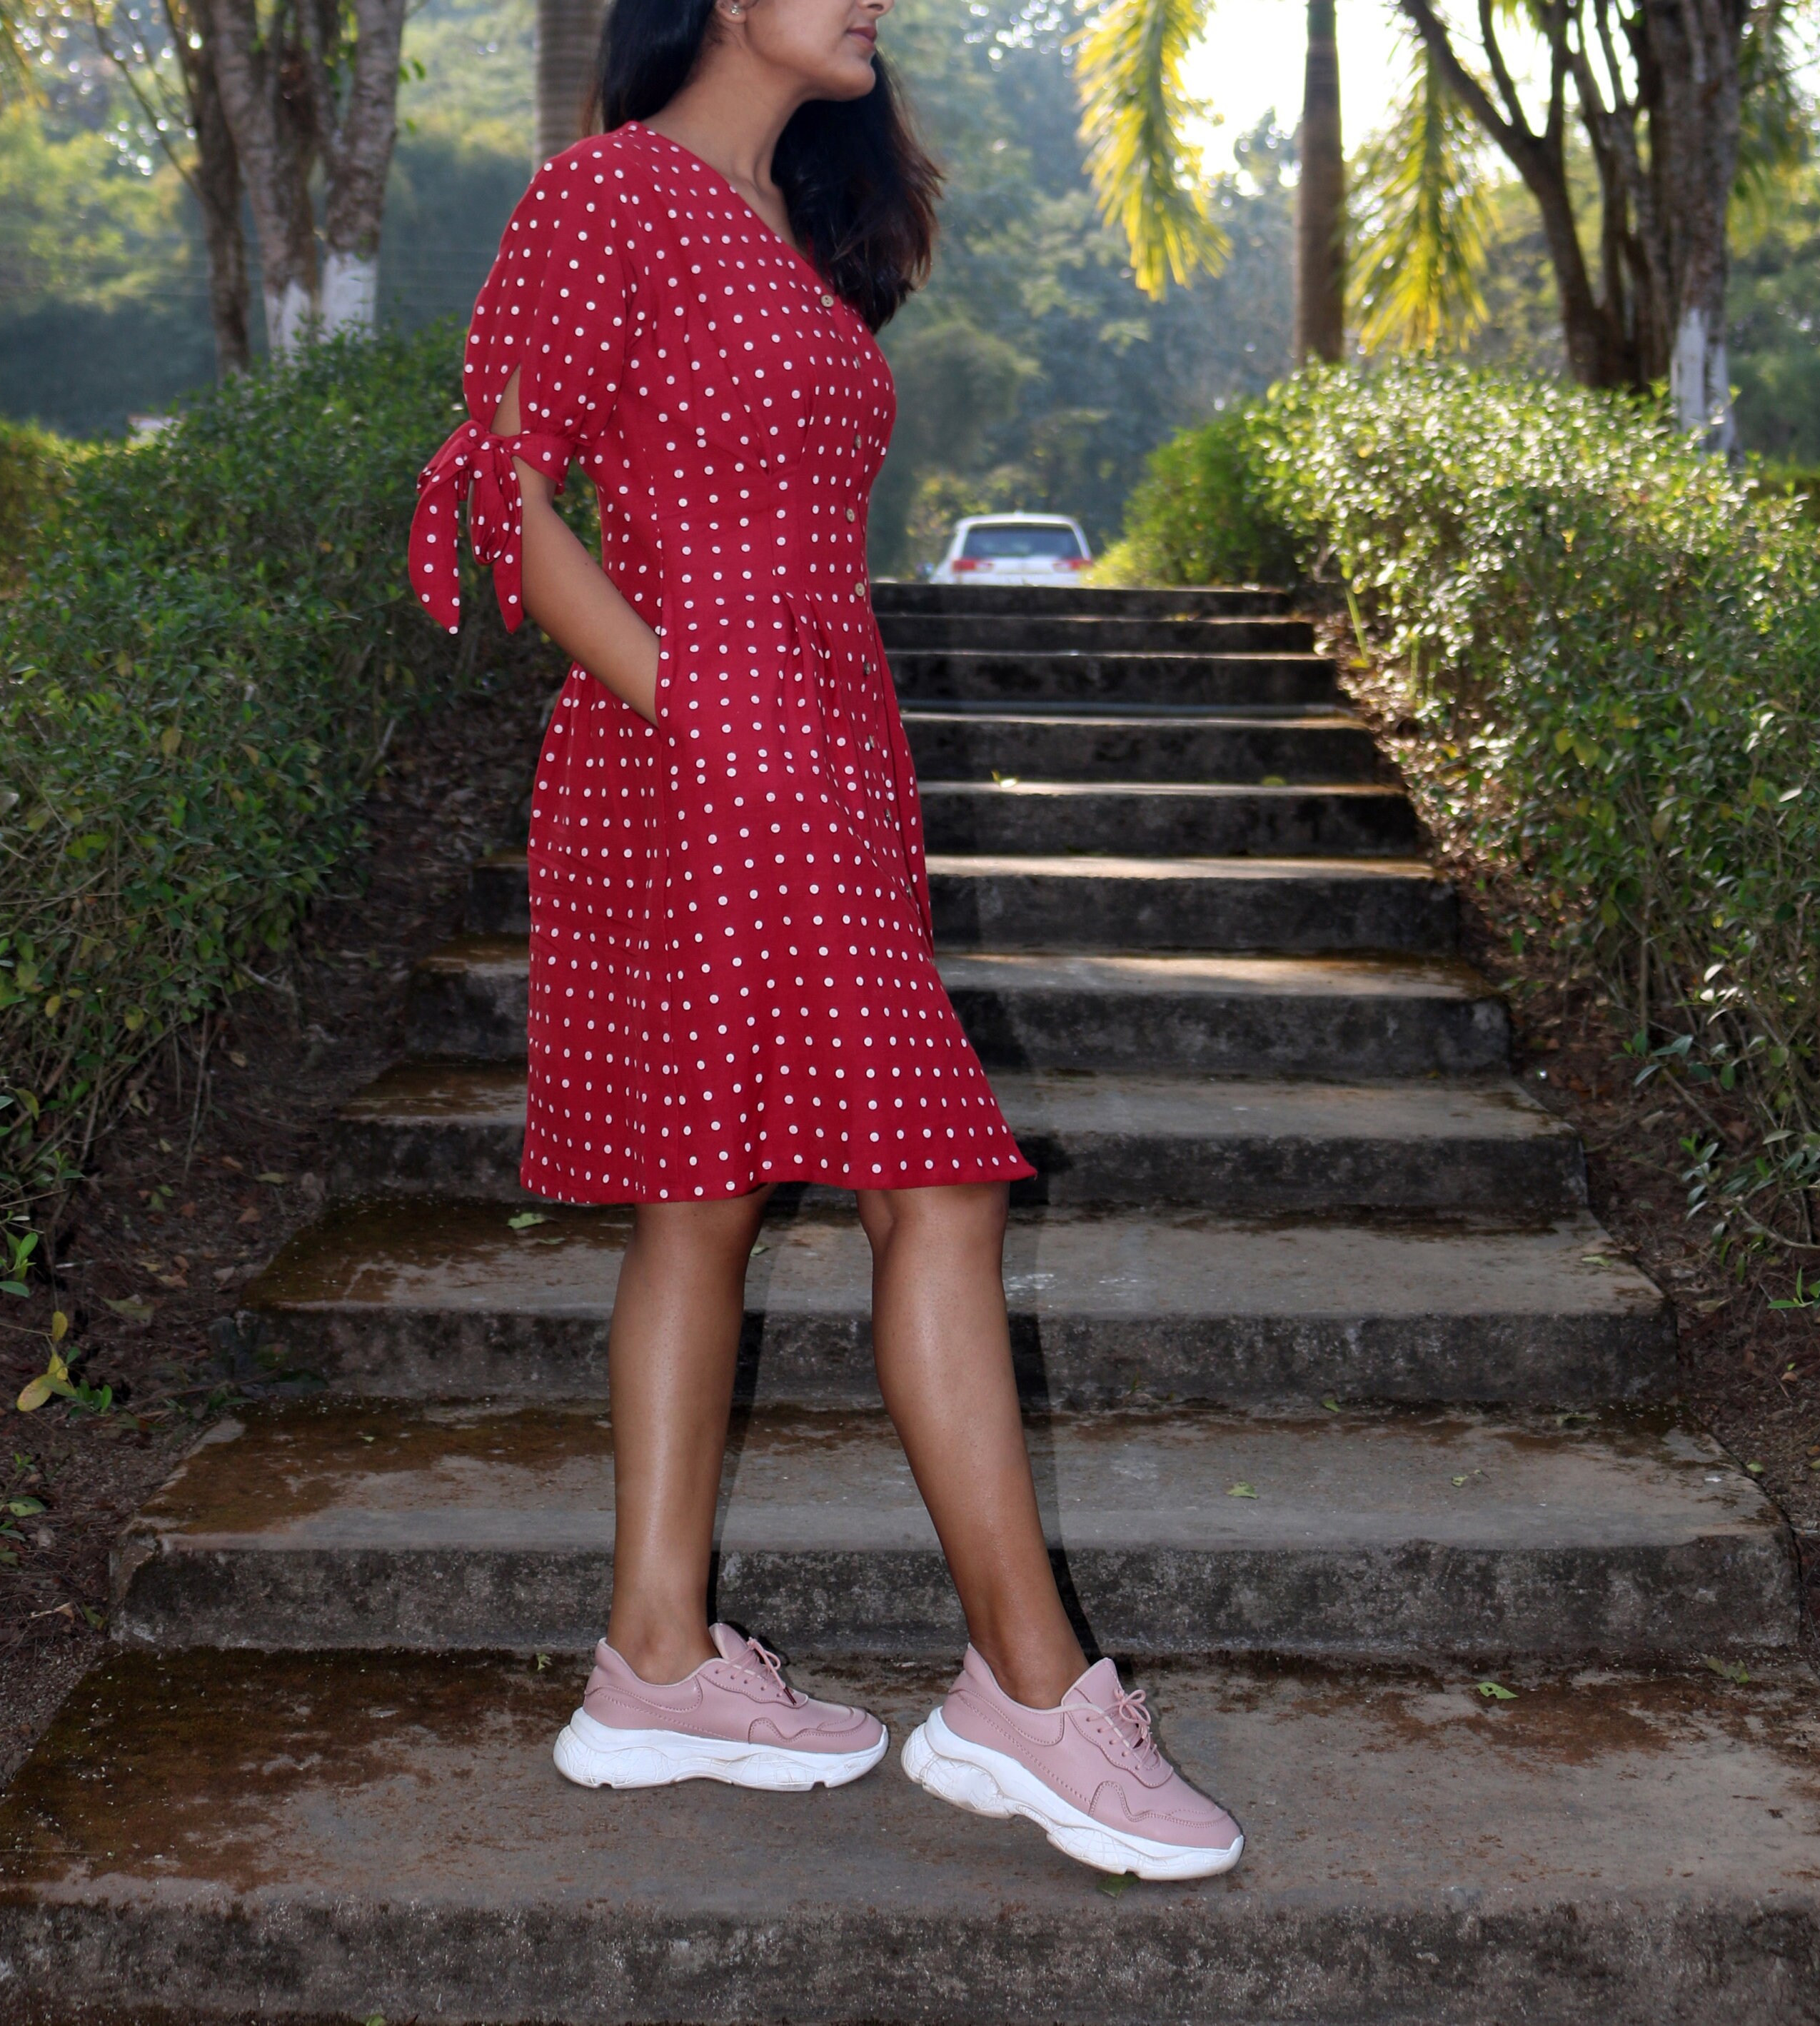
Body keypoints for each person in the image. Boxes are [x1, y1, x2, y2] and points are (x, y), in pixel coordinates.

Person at [406, 0, 1242, 1884]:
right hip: (709, 750)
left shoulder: (787, 223)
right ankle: (1031, 1693)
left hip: (821, 751)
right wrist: (704, 711)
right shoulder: (605, 193)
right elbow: (509, 498)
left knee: (704, 1202)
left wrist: (811, 752)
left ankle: (654, 1657)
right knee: (938, 1189)